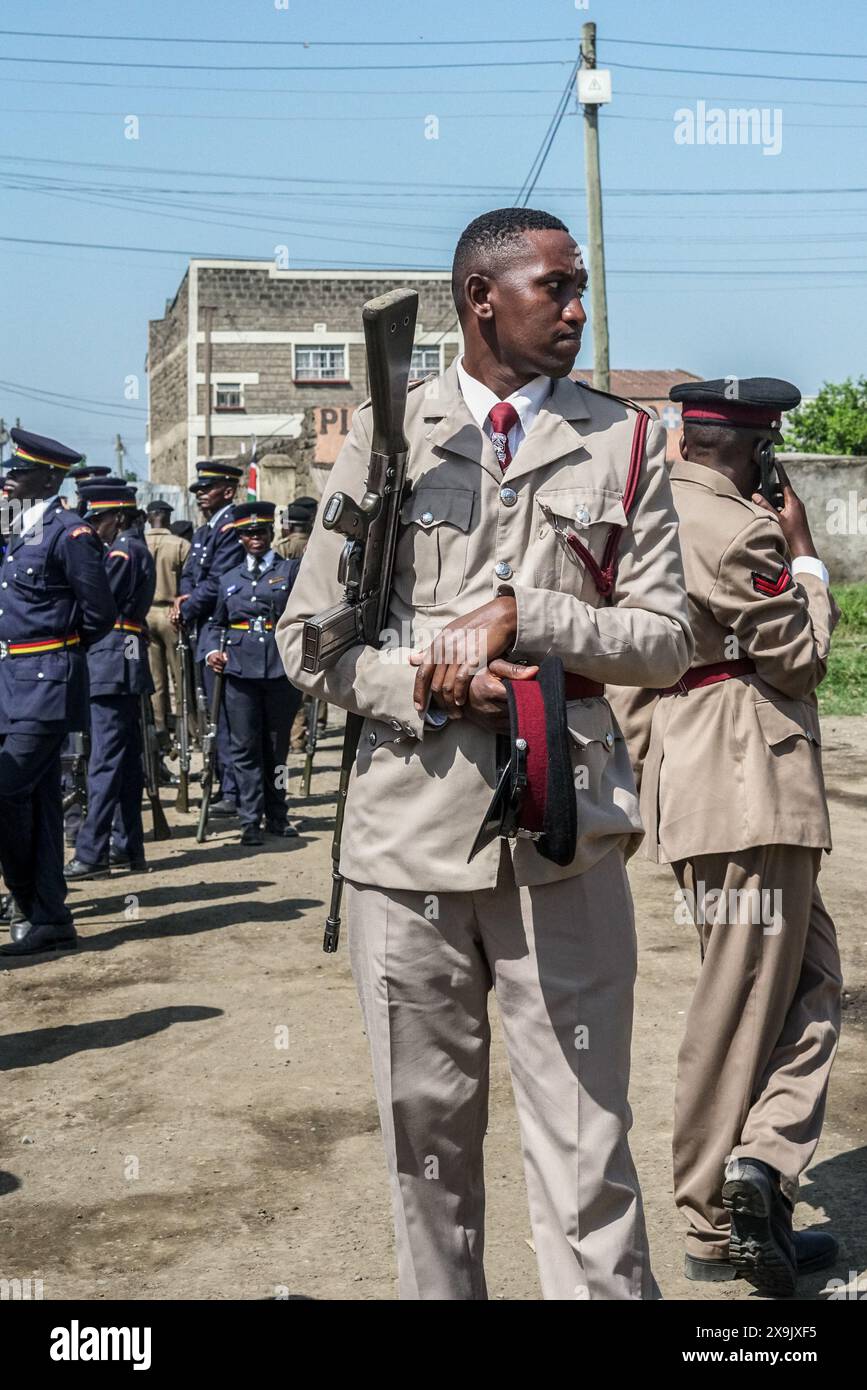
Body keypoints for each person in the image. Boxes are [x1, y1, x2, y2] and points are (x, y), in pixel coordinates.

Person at [277, 207, 692, 1300]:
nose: (577, 308)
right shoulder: (390, 433)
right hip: (407, 842)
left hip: (564, 838)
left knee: (587, 1147)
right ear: (480, 298)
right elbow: (310, 639)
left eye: (580, 286)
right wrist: (421, 679)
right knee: (427, 1154)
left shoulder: (625, 439)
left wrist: (529, 614)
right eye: (555, 287)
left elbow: (665, 637)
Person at [607, 378, 842, 1297]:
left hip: (694, 787)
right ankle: (714, 1209)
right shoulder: (742, 531)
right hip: (751, 785)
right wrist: (806, 559)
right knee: (740, 997)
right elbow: (800, 657)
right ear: (756, 447)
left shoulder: (646, 520)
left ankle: (760, 1174)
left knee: (805, 980)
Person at [0, 429, 115, 956]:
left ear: (47, 477)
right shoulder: (18, 532)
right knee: (40, 803)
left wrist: (58, 654)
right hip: (11, 686)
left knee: (7, 790)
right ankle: (50, 915)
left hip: (45, 685)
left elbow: (99, 614)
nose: (8, 479)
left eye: (17, 472)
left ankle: (27, 902)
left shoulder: (70, 535)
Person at [64, 479, 156, 879]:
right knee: (125, 762)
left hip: (109, 662)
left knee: (103, 762)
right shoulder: (134, 547)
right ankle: (127, 847)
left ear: (117, 516)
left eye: (99, 518)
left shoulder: (121, 551)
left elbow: (99, 605)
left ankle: (91, 853)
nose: (94, 527)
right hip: (123, 661)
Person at [205, 502, 302, 845]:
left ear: (271, 534)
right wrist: (211, 651)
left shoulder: (290, 571)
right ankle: (249, 819)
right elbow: (215, 623)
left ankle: (277, 815)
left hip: (279, 669)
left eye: (260, 532)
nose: (255, 538)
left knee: (276, 751)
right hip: (239, 672)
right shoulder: (229, 578)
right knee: (243, 747)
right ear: (240, 538)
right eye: (248, 533)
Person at [170, 460, 243, 817]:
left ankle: (232, 789)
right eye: (198, 490)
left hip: (219, 628)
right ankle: (220, 780)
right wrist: (182, 600)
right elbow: (189, 575)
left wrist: (188, 606)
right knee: (206, 712)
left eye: (207, 488)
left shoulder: (230, 528)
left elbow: (217, 582)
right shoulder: (203, 532)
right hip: (201, 629)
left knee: (223, 714)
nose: (200, 495)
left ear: (227, 491)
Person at [144, 500, 190, 753]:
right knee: (180, 675)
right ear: (168, 518)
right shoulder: (181, 544)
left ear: (150, 518)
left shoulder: (139, 543)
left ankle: (161, 732)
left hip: (146, 611)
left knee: (156, 681)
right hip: (172, 611)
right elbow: (191, 580)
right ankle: (186, 732)